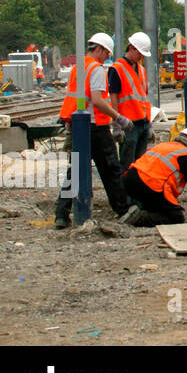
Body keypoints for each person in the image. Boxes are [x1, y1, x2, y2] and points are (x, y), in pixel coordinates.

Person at [54, 33, 133, 228]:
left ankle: (61, 214)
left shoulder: (78, 66)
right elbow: (97, 100)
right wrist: (118, 118)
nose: (107, 57)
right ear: (99, 49)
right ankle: (123, 209)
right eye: (106, 53)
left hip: (77, 124)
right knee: (111, 169)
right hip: (95, 126)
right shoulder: (96, 69)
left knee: (76, 171)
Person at [120, 128, 187, 226]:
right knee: (176, 217)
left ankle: (137, 210)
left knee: (156, 206)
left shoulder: (163, 145)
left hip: (130, 179)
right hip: (151, 185)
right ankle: (140, 218)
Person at [111, 31, 153, 170]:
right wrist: (116, 125)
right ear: (131, 48)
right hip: (128, 125)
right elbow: (113, 99)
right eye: (139, 53)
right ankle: (126, 192)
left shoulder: (141, 69)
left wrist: (149, 123)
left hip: (143, 123)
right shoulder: (117, 69)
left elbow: (144, 98)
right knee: (127, 164)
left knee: (140, 165)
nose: (141, 57)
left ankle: (136, 191)